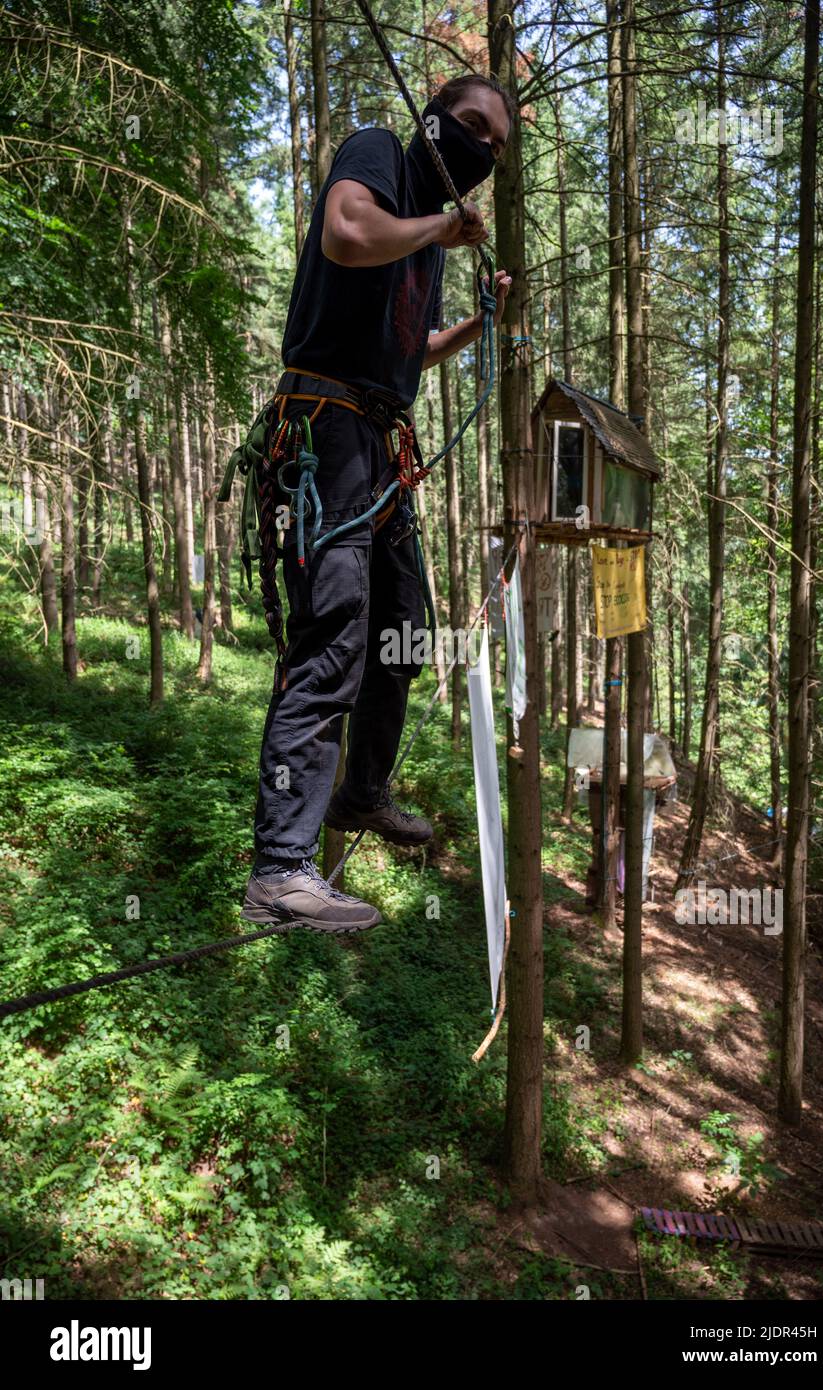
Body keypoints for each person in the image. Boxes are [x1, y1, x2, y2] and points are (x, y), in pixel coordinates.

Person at [242, 74, 514, 934]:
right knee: (336, 633)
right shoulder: (380, 157)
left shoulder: (425, 245)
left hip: (377, 440)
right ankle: (279, 870)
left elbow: (410, 346)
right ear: (432, 122)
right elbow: (348, 233)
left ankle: (359, 796)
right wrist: (440, 223)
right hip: (323, 427)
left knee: (404, 630)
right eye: (472, 127)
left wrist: (478, 323)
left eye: (497, 145)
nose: (483, 150)